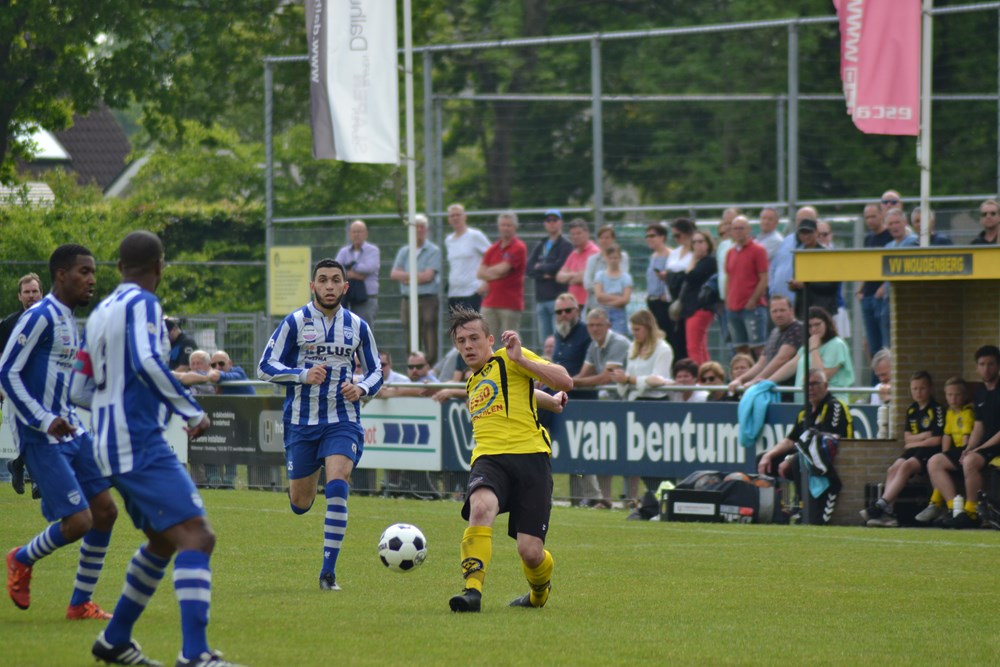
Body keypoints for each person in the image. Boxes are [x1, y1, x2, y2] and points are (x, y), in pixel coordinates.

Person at [70, 231, 241, 667]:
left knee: (165, 542)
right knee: (198, 537)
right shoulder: (145, 304)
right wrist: (190, 411)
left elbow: (79, 389)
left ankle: (115, 639)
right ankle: (196, 655)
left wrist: (113, 406)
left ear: (119, 265)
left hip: (106, 440)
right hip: (140, 441)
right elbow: (148, 361)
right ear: (159, 266)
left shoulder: (100, 313)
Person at [2, 245, 118, 621]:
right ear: (61, 275)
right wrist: (42, 418)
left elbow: (73, 384)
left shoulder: (70, 320)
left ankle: (79, 602)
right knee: (79, 521)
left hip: (71, 429)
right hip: (40, 435)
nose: (92, 280)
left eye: (93, 272)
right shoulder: (40, 317)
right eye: (84, 272)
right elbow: (7, 371)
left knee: (105, 511)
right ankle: (20, 558)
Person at [258, 257, 383, 589]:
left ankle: (328, 573)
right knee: (301, 503)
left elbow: (376, 371)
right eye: (323, 280)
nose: (329, 286)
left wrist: (362, 388)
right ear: (313, 286)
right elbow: (264, 366)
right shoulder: (295, 322)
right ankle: (304, 491)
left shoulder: (358, 326)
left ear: (345, 286)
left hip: (343, 419)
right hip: (301, 423)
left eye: (335, 280)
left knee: (338, 480)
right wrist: (302, 375)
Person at [446, 307, 572, 613]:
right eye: (461, 340)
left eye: (474, 338)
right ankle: (472, 591)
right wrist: (550, 401)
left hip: (530, 457)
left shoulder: (510, 358)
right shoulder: (472, 382)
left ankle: (538, 593)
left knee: (530, 552)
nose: (467, 346)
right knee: (481, 505)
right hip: (489, 458)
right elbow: (518, 393)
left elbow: (565, 380)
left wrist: (523, 360)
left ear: (490, 339)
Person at [757, 369, 853, 524]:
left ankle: (804, 509)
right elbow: (790, 440)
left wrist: (791, 458)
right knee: (762, 460)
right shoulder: (805, 411)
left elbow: (827, 444)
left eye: (815, 384)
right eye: (807, 385)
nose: (810, 389)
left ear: (826, 385)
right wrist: (769, 455)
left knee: (798, 462)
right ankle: (772, 510)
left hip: (831, 461)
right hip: (805, 456)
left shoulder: (834, 406)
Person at [927, 345, 1000, 529]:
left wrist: (977, 450)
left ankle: (972, 511)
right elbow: (978, 427)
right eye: (982, 364)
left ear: (998, 366)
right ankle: (955, 509)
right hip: (982, 448)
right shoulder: (980, 393)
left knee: (970, 461)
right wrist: (969, 448)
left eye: (990, 364)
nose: (986, 369)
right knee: (935, 462)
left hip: (995, 446)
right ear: (976, 367)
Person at [861, 371, 945, 527]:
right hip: (915, 449)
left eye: (922, 388)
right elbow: (907, 439)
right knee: (893, 469)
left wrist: (916, 441)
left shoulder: (936, 409)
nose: (918, 392)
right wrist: (923, 436)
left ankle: (881, 504)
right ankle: (888, 514)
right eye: (915, 389)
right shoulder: (912, 410)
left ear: (930, 389)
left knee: (906, 466)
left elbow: (937, 439)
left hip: (930, 451)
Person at [571, 308, 630, 508]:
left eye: (599, 325)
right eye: (591, 325)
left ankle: (633, 499)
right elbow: (583, 373)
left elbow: (605, 377)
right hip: (608, 405)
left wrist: (569, 382)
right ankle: (605, 499)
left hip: (626, 403)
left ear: (608, 326)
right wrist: (564, 381)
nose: (595, 329)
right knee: (605, 452)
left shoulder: (619, 343)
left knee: (628, 453)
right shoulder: (594, 346)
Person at [1, 272, 44, 493]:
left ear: (41, 293)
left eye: (35, 291)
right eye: (26, 292)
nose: (31, 296)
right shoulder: (9, 324)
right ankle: (37, 479)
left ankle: (18, 464)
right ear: (19, 296)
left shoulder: (51, 321)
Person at [913, 377, 974, 524]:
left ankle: (941, 505)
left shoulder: (968, 412)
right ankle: (950, 508)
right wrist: (944, 455)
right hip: (956, 451)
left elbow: (967, 438)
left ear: (965, 396)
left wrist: (955, 456)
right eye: (949, 395)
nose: (953, 398)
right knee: (937, 461)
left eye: (957, 395)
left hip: (967, 450)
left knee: (936, 462)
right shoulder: (950, 412)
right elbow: (947, 435)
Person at [770, 306, 854, 404]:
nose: (814, 329)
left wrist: (814, 349)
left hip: (830, 404)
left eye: (817, 324)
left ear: (827, 324)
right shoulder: (807, 345)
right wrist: (767, 381)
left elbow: (820, 376)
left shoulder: (837, 344)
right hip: (806, 404)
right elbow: (792, 365)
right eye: (810, 326)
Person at [390, 214, 442, 366]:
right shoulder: (405, 251)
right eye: (416, 227)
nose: (419, 230)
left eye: (422, 227)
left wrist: (407, 278)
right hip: (408, 299)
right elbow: (394, 274)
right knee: (409, 332)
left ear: (426, 230)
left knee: (429, 330)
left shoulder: (433, 250)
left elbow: (428, 276)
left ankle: (430, 366)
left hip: (427, 298)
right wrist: (415, 276)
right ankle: (413, 365)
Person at [727, 296, 803, 397]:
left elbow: (781, 359)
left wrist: (755, 382)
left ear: (791, 310)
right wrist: (740, 379)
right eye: (774, 311)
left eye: (782, 310)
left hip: (789, 392)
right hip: (772, 391)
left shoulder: (798, 328)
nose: (778, 314)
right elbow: (761, 363)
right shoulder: (774, 332)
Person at [526, 209, 573, 346]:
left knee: (558, 339)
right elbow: (529, 268)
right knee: (544, 342)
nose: (551, 223)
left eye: (554, 220)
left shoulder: (566, 245)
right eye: (548, 220)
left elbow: (560, 267)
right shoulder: (541, 244)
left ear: (561, 223)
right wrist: (545, 273)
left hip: (557, 299)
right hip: (541, 299)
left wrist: (540, 267)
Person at [724, 215, 769, 358]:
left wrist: (753, 300)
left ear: (749, 230)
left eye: (741, 228)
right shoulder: (730, 253)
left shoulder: (758, 250)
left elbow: (764, 277)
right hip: (733, 307)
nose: (738, 232)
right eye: (735, 228)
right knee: (740, 349)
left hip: (752, 308)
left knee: (758, 347)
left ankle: (762, 376)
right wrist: (727, 301)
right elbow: (729, 277)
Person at [478, 212, 527, 337]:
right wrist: (498, 274)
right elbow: (480, 273)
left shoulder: (518, 247)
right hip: (490, 301)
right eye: (503, 225)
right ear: (499, 226)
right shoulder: (493, 249)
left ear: (515, 227)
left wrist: (492, 273)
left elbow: (503, 269)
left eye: (509, 225)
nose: (506, 228)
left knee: (510, 340)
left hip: (510, 303)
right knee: (485, 338)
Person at [855, 202, 893, 360]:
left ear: (882, 215)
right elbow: (867, 265)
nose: (870, 220)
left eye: (873, 216)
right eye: (867, 217)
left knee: (885, 344)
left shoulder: (890, 237)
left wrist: (884, 286)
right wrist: (861, 289)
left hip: (881, 297)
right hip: (868, 296)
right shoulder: (868, 239)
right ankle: (876, 381)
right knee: (872, 345)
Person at [609, 309, 673, 401]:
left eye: (637, 329)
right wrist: (620, 378)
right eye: (632, 330)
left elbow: (658, 379)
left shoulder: (664, 349)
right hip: (634, 399)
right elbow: (628, 374)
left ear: (648, 328)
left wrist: (628, 379)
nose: (634, 333)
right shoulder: (632, 347)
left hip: (656, 401)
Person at [786, 219, 840, 320]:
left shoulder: (827, 254)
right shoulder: (799, 255)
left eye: (809, 232)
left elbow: (832, 285)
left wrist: (806, 284)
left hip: (823, 308)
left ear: (816, 233)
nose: (805, 236)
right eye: (802, 233)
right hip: (803, 308)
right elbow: (797, 279)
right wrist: (793, 285)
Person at [444, 203, 492, 313]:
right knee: (457, 329)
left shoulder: (475, 236)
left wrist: (486, 283)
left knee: (472, 328)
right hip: (454, 294)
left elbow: (492, 256)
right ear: (449, 219)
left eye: (458, 215)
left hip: (472, 292)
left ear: (465, 216)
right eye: (452, 216)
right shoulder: (449, 240)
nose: (455, 218)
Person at [679, 229, 717, 366]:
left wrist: (693, 259)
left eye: (701, 241)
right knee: (700, 347)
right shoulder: (701, 262)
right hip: (694, 309)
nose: (697, 245)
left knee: (693, 348)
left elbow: (690, 276)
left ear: (708, 243)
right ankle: (708, 378)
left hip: (699, 308)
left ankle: (699, 380)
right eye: (694, 242)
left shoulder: (709, 261)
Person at [769, 205, 819, 307]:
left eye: (807, 220)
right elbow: (774, 266)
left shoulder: (819, 246)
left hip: (805, 304)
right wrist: (772, 290)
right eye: (800, 220)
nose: (803, 224)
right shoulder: (787, 241)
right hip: (781, 304)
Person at [335, 219, 381, 325]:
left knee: (364, 330)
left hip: (366, 298)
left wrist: (351, 267)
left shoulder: (373, 251)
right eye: (354, 232)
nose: (356, 234)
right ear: (350, 234)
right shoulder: (344, 252)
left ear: (366, 234)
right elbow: (336, 269)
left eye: (359, 231)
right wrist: (354, 274)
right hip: (346, 298)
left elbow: (369, 268)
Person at [555, 218, 600, 314]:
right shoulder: (573, 254)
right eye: (573, 234)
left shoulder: (594, 252)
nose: (575, 236)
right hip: (573, 305)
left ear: (587, 233)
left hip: (588, 304)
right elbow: (559, 276)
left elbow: (586, 277)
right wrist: (576, 276)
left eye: (579, 233)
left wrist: (569, 277)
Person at [583, 225, 630, 312]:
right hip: (595, 306)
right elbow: (587, 284)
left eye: (607, 238)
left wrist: (601, 291)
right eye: (601, 238)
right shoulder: (592, 259)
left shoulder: (623, 257)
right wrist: (606, 290)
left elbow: (621, 280)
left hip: (616, 307)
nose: (604, 241)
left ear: (613, 239)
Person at [592, 244, 633, 336]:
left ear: (620, 259)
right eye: (610, 258)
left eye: (615, 258)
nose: (613, 260)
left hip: (619, 314)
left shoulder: (626, 277)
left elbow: (626, 299)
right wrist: (618, 298)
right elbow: (599, 296)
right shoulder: (600, 275)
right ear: (606, 258)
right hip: (602, 313)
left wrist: (607, 301)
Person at [644, 222, 673, 337]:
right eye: (647, 236)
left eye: (652, 236)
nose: (649, 239)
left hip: (665, 303)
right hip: (653, 301)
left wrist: (667, 294)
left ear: (662, 237)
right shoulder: (653, 256)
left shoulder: (671, 254)